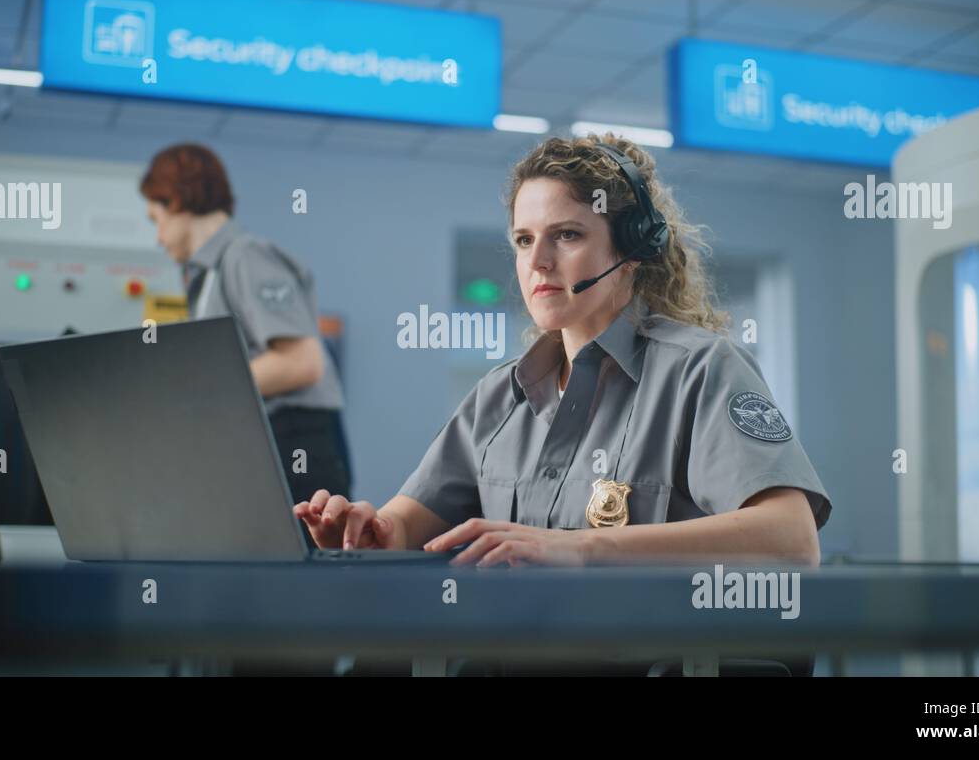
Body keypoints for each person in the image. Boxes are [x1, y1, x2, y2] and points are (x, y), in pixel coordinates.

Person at [295, 133, 831, 568]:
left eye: (567, 235)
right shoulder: (498, 397)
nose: (538, 262)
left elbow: (791, 540)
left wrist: (580, 548)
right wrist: (362, 531)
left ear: (634, 248)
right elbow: (403, 529)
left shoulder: (700, 370)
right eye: (524, 240)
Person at [141, 144, 351, 545]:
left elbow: (301, 362)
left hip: (298, 442)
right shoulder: (209, 275)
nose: (158, 237)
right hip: (262, 443)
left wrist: (195, 388)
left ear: (178, 200)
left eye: (156, 219)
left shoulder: (245, 256)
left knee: (297, 587)